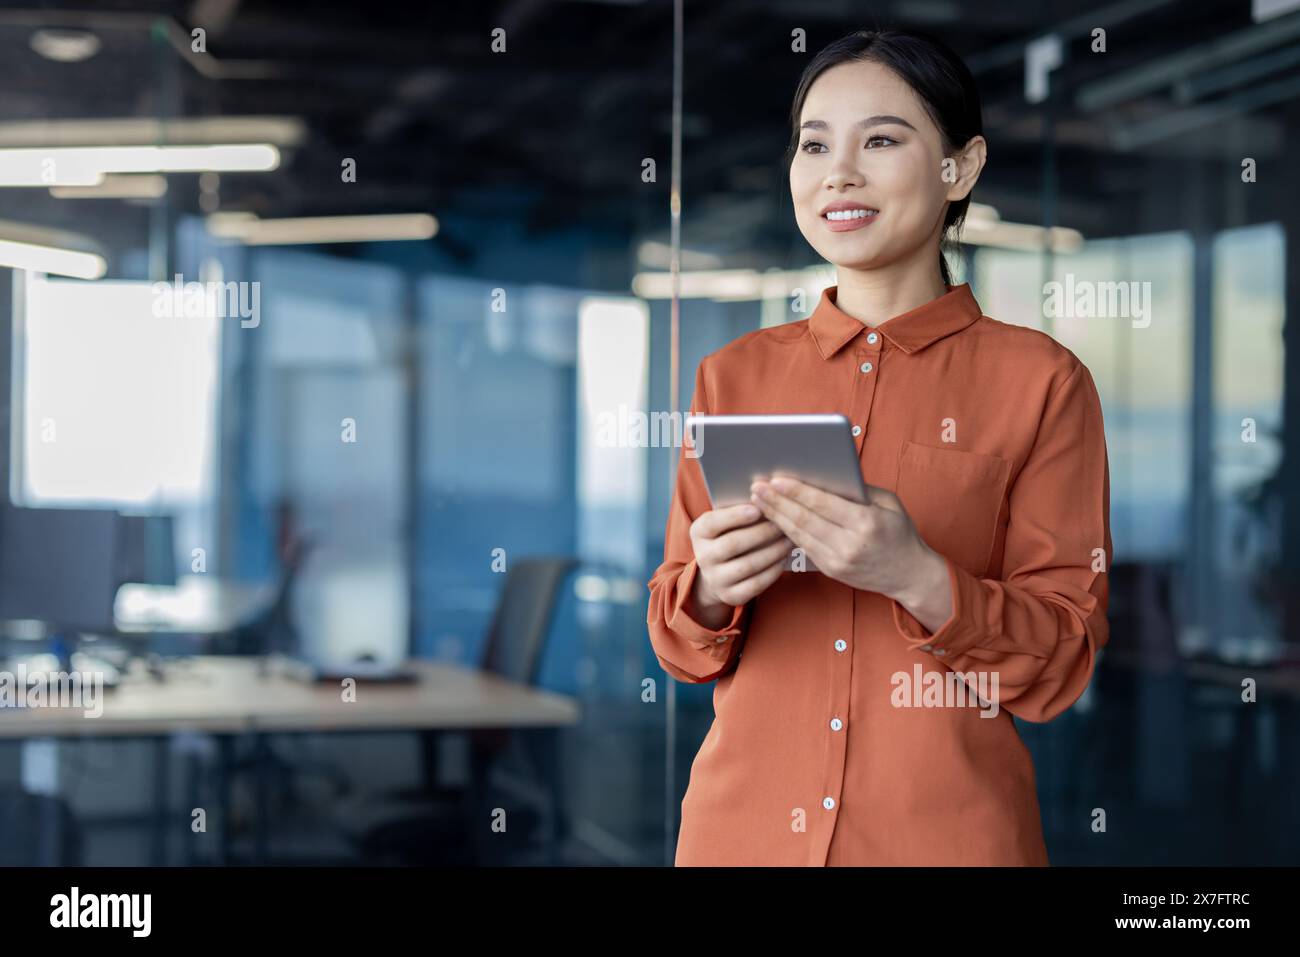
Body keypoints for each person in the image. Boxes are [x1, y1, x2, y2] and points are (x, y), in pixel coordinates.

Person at [646, 28, 1111, 866]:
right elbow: (678, 641)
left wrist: (918, 576)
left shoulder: (1043, 382)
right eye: (814, 143)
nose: (839, 173)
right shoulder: (733, 375)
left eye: (882, 140)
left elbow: (1062, 664)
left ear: (959, 169)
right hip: (739, 839)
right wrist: (712, 587)